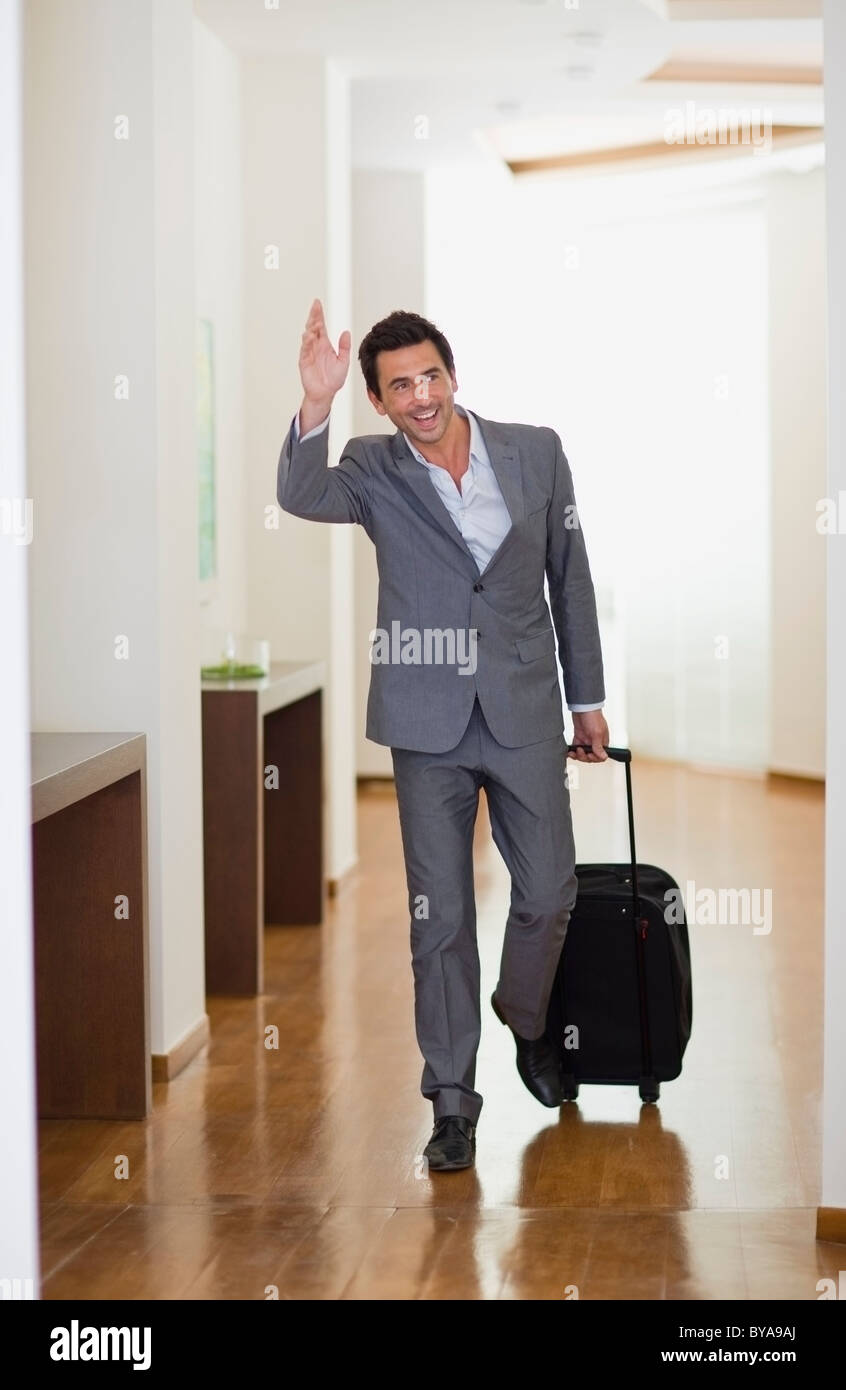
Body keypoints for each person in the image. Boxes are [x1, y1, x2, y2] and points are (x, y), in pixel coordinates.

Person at [277, 299, 609, 1171]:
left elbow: (569, 580)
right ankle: (453, 1101)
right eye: (398, 387)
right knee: (441, 919)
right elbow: (299, 493)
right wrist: (314, 404)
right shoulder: (370, 467)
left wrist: (588, 699)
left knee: (548, 892)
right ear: (379, 403)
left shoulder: (536, 451)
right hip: (425, 723)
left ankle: (525, 1016)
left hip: (525, 708)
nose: (420, 397)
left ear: (452, 374)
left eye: (430, 376)